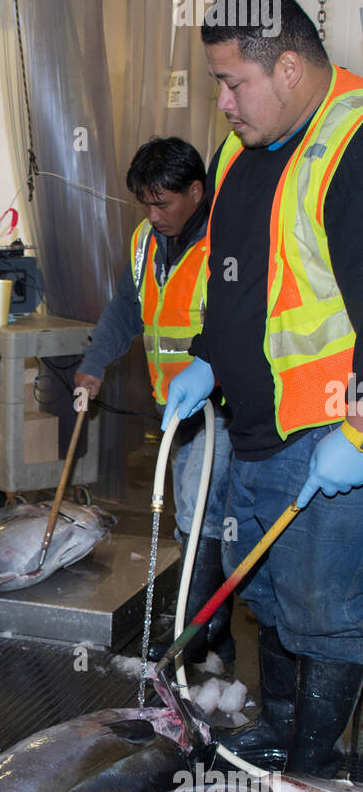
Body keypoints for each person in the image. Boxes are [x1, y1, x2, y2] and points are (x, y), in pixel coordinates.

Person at [163, 0, 363, 775]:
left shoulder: (350, 146)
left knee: (325, 613)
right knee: (274, 604)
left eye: (231, 82)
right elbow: (233, 278)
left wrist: (356, 435)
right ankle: (282, 736)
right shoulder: (238, 153)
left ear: (287, 67)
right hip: (253, 433)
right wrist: (208, 354)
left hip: (325, 438)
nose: (220, 103)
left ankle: (314, 769)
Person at [74, 137, 234, 663]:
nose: (153, 213)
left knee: (199, 516)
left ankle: (192, 638)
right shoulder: (146, 240)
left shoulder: (227, 240)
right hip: (176, 407)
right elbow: (127, 308)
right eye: (145, 202)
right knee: (204, 517)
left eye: (163, 202)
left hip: (223, 408)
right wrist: (95, 364)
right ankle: (212, 627)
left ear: (196, 190)